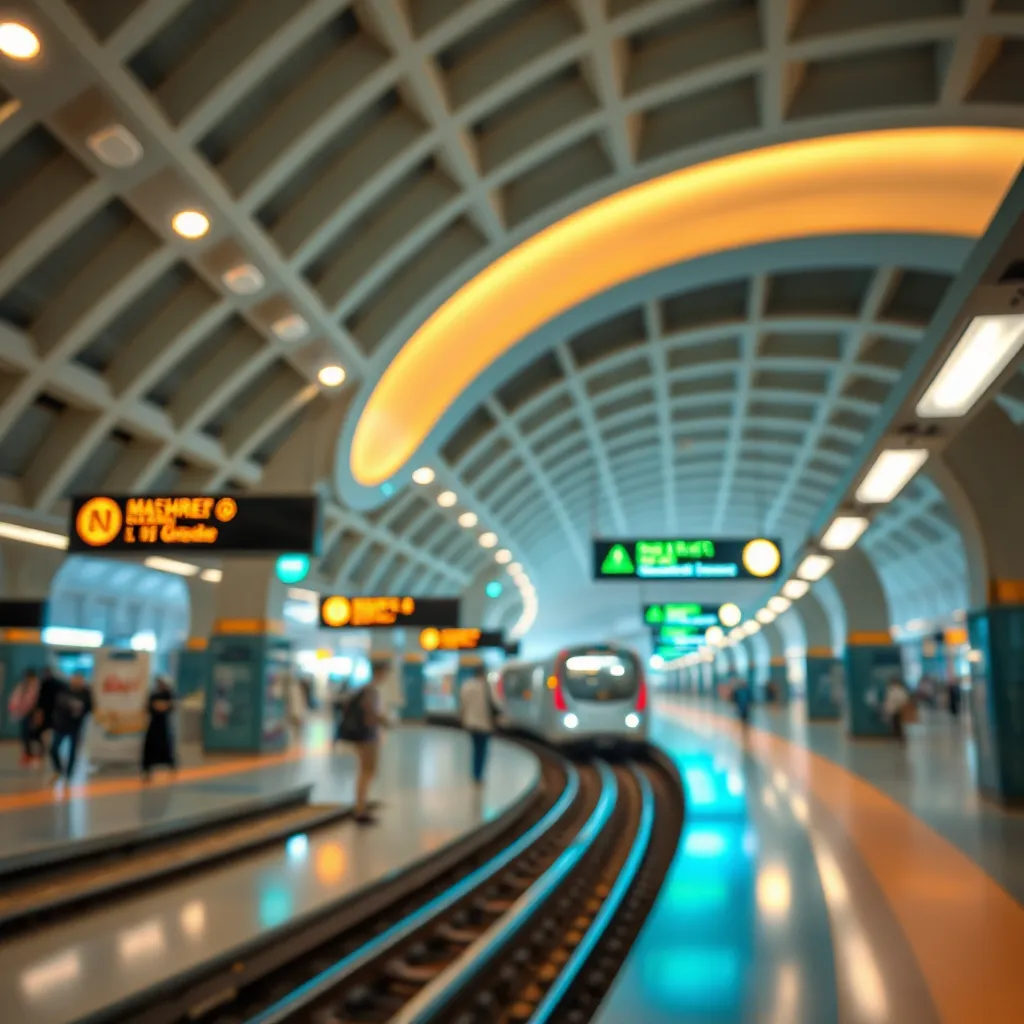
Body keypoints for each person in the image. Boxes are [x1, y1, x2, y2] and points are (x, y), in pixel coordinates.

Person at [337, 661, 388, 824]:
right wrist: (384, 721)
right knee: (367, 771)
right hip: (367, 737)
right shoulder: (370, 690)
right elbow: (370, 714)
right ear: (379, 672)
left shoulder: (365, 689)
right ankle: (360, 809)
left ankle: (361, 806)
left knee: (366, 771)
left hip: (364, 736)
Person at [49, 672, 93, 783]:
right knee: (53, 749)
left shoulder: (86, 694)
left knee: (73, 751)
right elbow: (56, 706)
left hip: (75, 726)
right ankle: (59, 769)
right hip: (61, 725)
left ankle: (68, 774)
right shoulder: (64, 691)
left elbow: (90, 708)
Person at [459, 670, 496, 785]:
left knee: (475, 748)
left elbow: (463, 704)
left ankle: (475, 773)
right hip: (484, 723)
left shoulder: (466, 686)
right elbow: (494, 703)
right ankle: (478, 774)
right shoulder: (486, 686)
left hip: (470, 722)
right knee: (482, 750)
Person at [141, 677, 177, 780]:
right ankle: (147, 769)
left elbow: (170, 706)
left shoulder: (168, 694)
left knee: (166, 746)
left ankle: (170, 766)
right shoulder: (153, 695)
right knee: (150, 747)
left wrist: (162, 706)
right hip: (154, 725)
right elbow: (149, 707)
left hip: (164, 726)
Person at [8, 668, 42, 765]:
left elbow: (35, 701)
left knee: (33, 734)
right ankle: (27, 754)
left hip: (31, 714)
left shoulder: (36, 687)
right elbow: (15, 699)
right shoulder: (22, 686)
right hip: (23, 713)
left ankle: (35, 754)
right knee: (25, 735)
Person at [883, 678, 910, 744]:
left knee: (897, 724)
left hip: (897, 709)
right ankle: (897, 736)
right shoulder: (893, 690)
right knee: (895, 723)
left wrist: (896, 705)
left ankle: (899, 737)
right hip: (894, 709)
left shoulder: (897, 690)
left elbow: (902, 699)